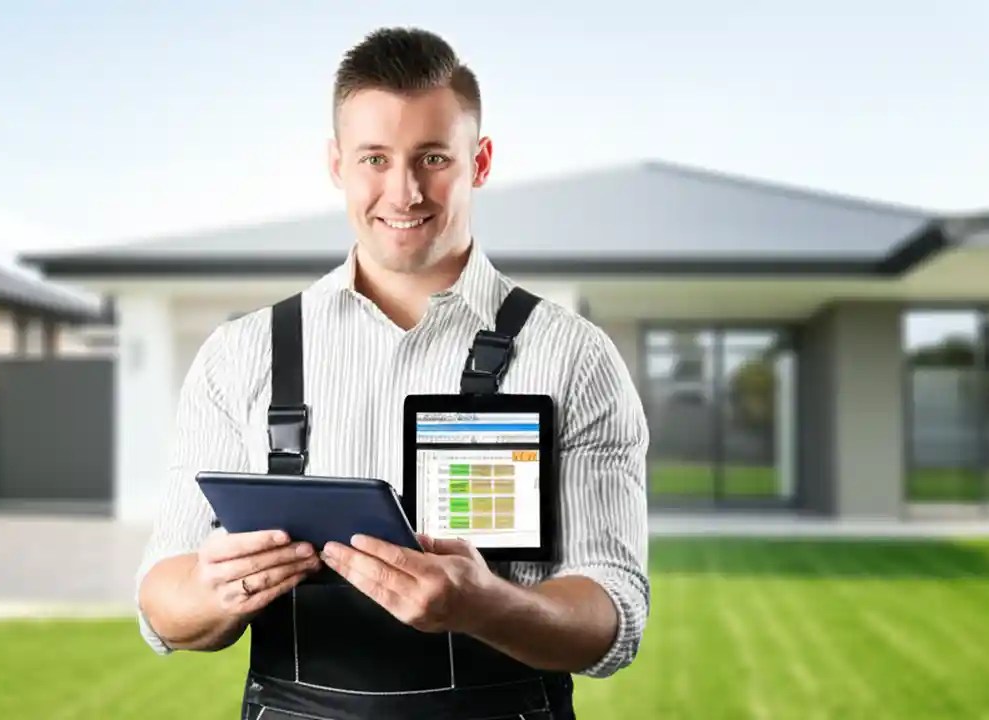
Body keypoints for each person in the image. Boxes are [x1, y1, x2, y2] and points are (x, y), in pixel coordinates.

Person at [134, 26, 650, 720]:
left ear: (481, 159)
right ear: (337, 164)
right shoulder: (241, 355)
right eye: (375, 158)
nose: (403, 191)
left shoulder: (575, 358)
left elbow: (613, 612)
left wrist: (483, 604)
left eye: (432, 157)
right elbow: (163, 600)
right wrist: (212, 590)